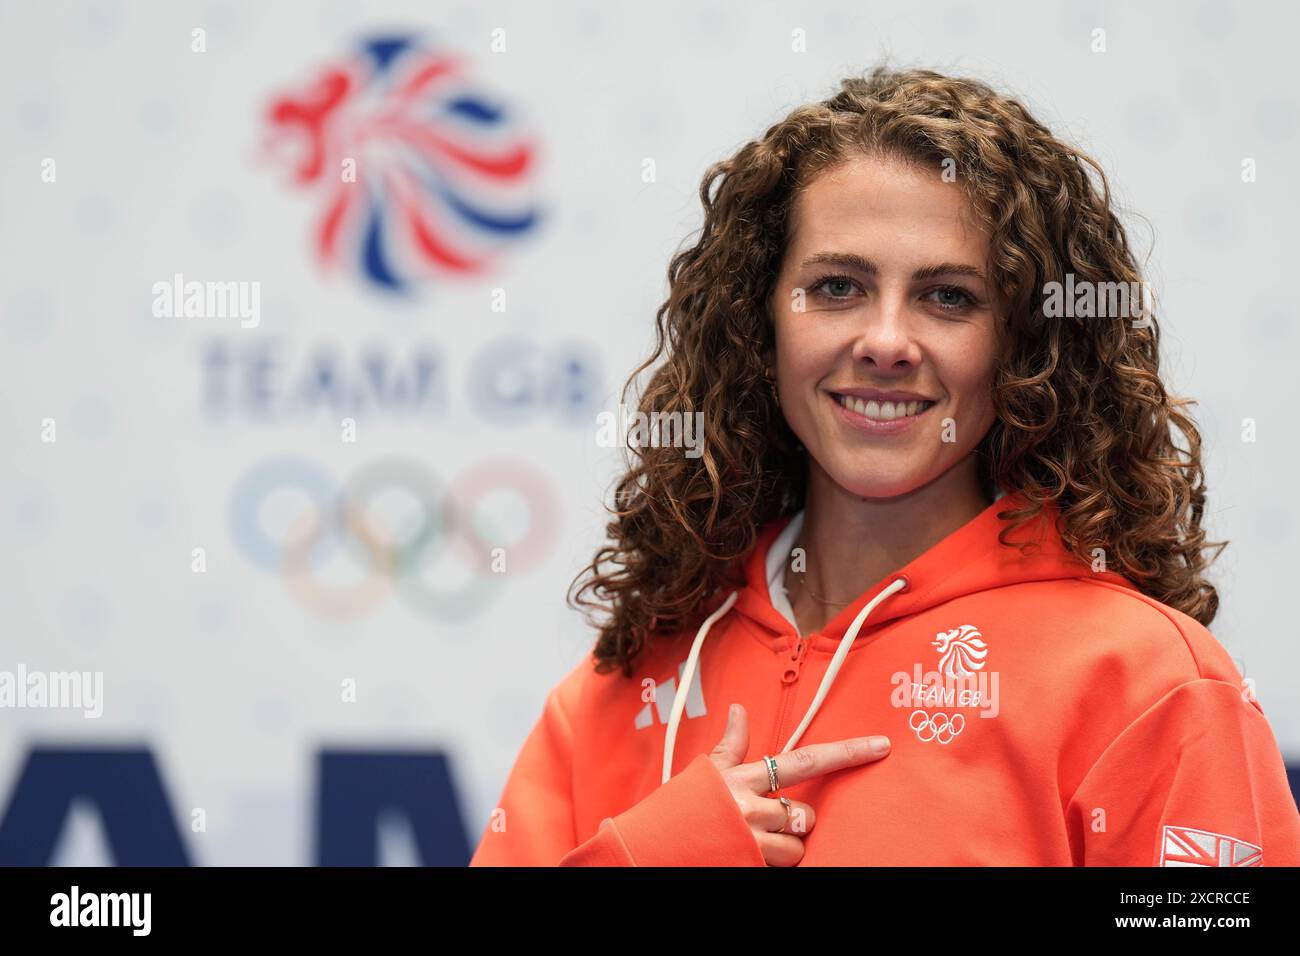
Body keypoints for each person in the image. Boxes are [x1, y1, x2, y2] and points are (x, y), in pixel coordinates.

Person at [469, 67, 1300, 866]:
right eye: (837, 287)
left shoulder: (1145, 682)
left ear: (1024, 348)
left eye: (949, 297)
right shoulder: (627, 683)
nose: (887, 343)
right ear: (758, 326)